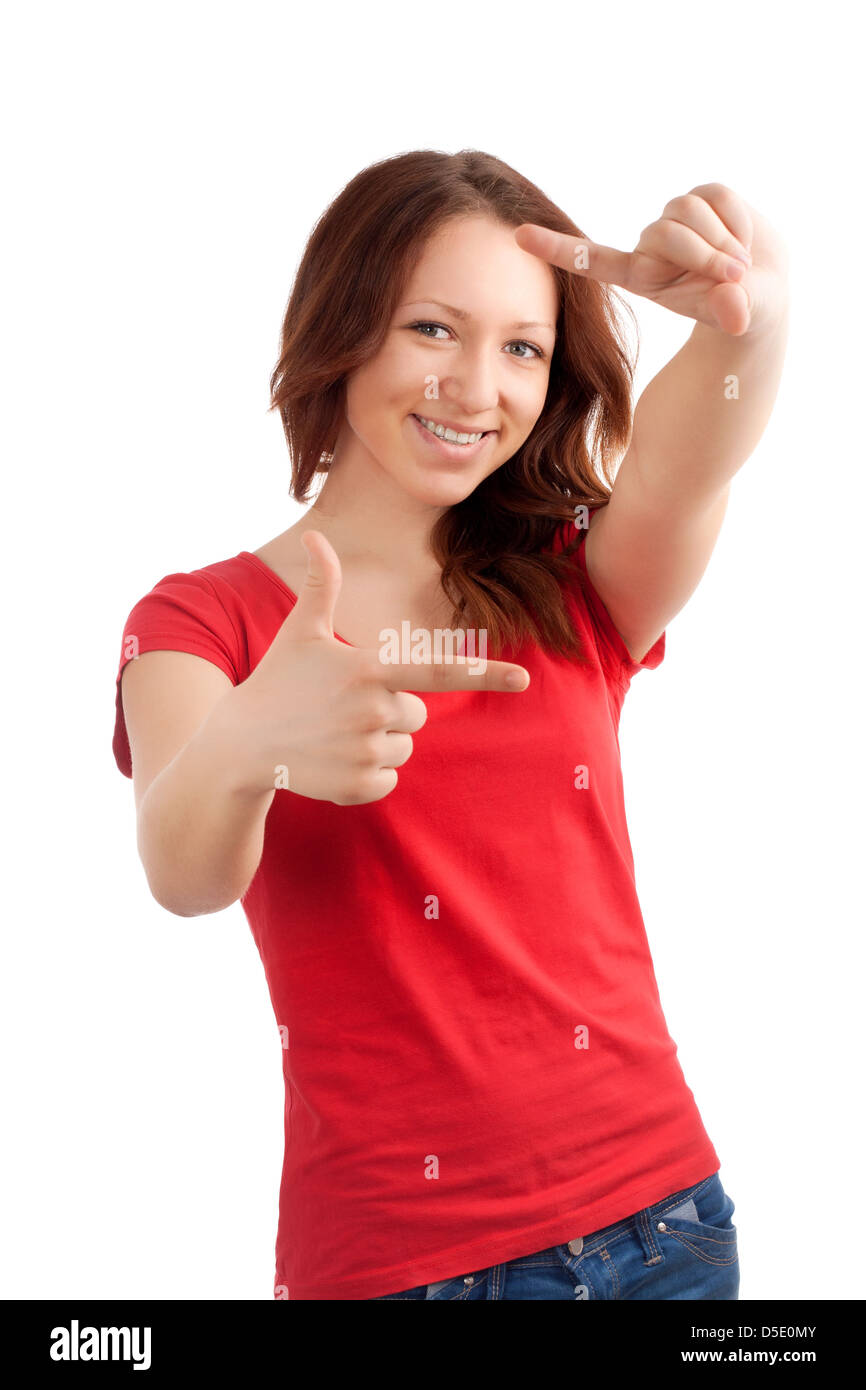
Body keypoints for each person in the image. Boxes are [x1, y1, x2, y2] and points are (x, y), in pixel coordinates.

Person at [112, 149, 789, 1300]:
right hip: (401, 1262)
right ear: (346, 323)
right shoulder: (203, 619)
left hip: (662, 1224)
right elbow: (183, 868)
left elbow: (689, 466)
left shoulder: (575, 580)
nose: (478, 387)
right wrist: (247, 746)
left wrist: (745, 323)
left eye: (521, 347)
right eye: (432, 328)